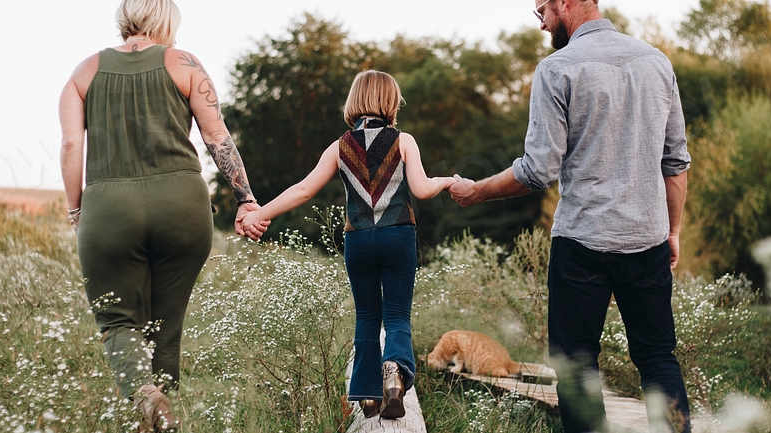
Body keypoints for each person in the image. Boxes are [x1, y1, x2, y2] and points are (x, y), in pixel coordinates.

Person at [447, 0, 693, 431]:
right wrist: (672, 229)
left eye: (541, 9)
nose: (539, 22)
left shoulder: (557, 69)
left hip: (582, 245)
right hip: (647, 240)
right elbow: (675, 161)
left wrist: (477, 191)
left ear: (564, 2)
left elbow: (538, 169)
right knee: (657, 357)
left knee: (578, 365)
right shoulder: (657, 63)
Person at [58, 0, 268, 430]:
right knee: (166, 323)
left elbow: (70, 147)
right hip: (182, 205)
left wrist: (76, 208)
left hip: (108, 208)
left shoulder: (83, 73)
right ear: (167, 20)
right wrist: (245, 198)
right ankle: (161, 409)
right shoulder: (185, 63)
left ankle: (144, 397)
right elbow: (217, 136)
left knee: (118, 320)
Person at [238, 70, 456, 420]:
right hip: (397, 234)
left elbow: (304, 190)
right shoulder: (403, 141)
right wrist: (448, 180)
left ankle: (367, 395)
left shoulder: (339, 146)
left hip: (357, 240)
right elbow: (422, 189)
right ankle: (395, 373)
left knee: (367, 316)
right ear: (390, 102)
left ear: (355, 101)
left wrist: (259, 213)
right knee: (397, 316)